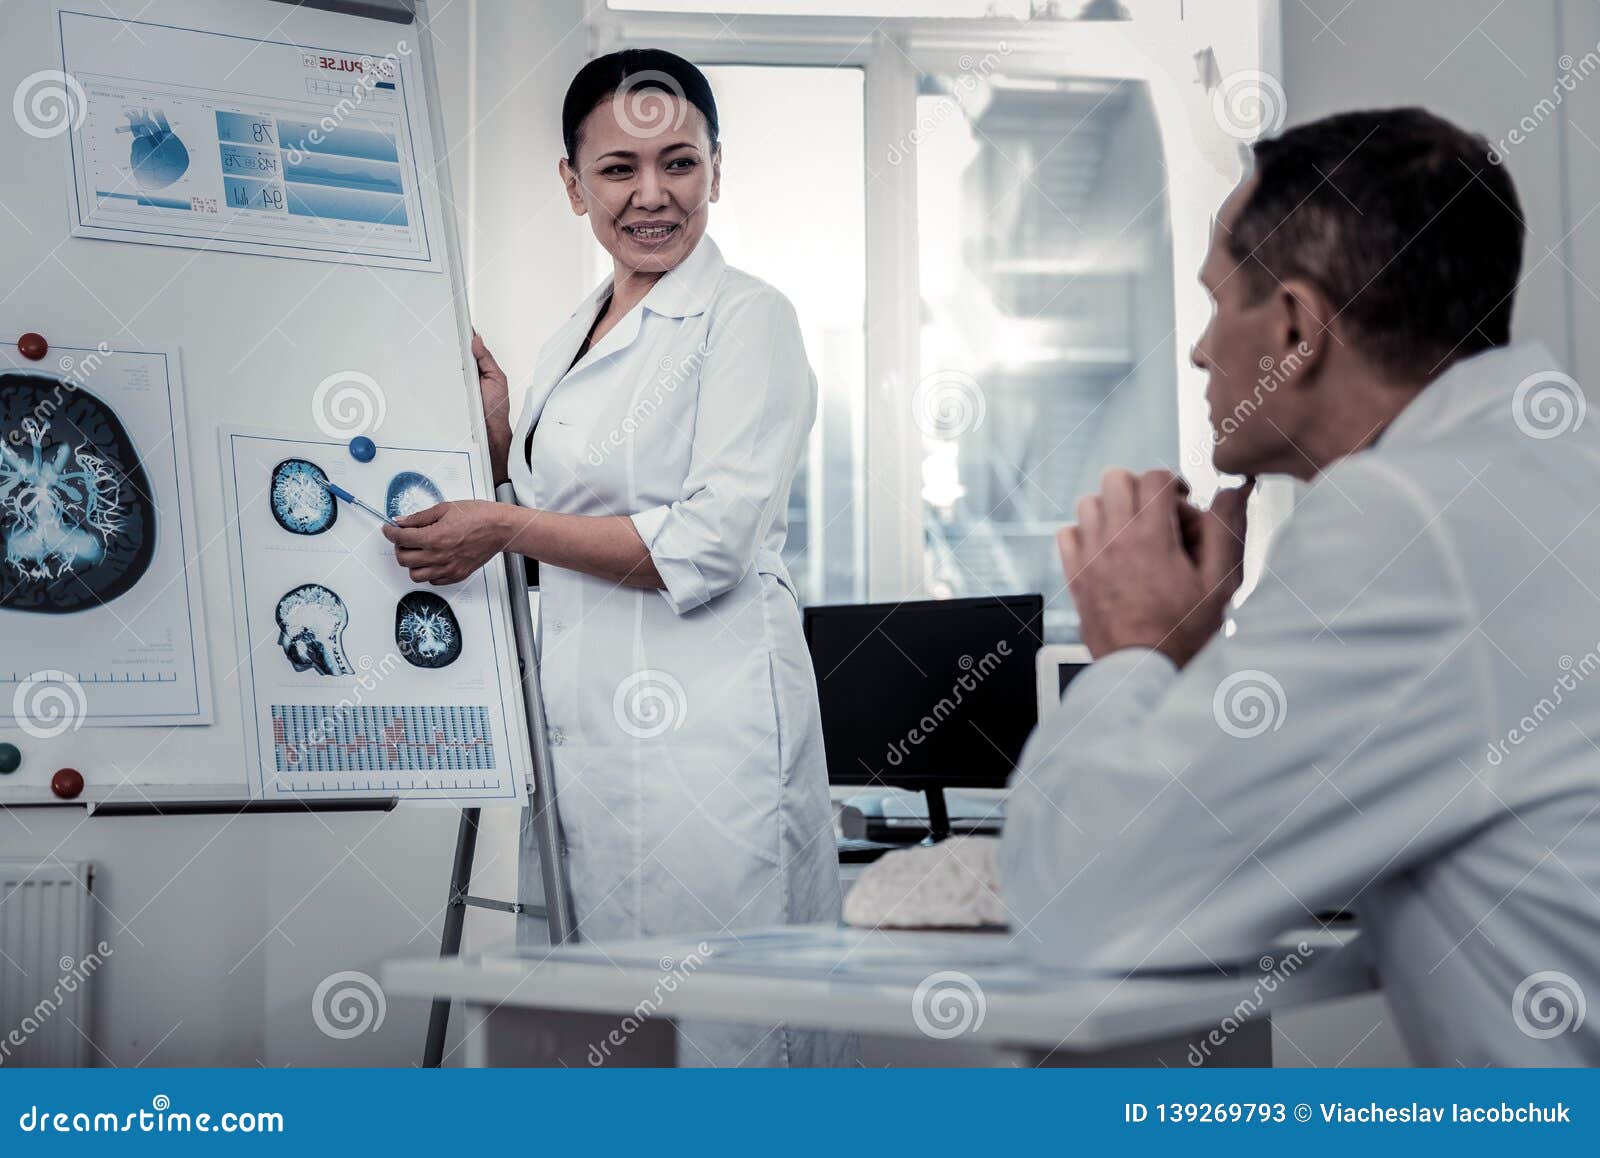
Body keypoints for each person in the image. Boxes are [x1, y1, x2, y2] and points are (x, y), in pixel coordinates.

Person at [999, 107, 1600, 1065]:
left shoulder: (1404, 517)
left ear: (1293, 328)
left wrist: (1137, 647)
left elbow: (1081, 904)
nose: (1199, 351)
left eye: (1215, 302)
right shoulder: (1546, 467)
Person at [383, 49, 849, 1067]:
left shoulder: (749, 319)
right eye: (617, 170)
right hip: (592, 735)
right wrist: (504, 445)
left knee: (733, 1035)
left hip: (709, 736)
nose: (651, 196)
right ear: (572, 184)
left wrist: (503, 524)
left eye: (678, 164)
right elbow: (564, 519)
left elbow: (708, 541)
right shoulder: (571, 335)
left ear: (716, 171)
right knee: (615, 1036)